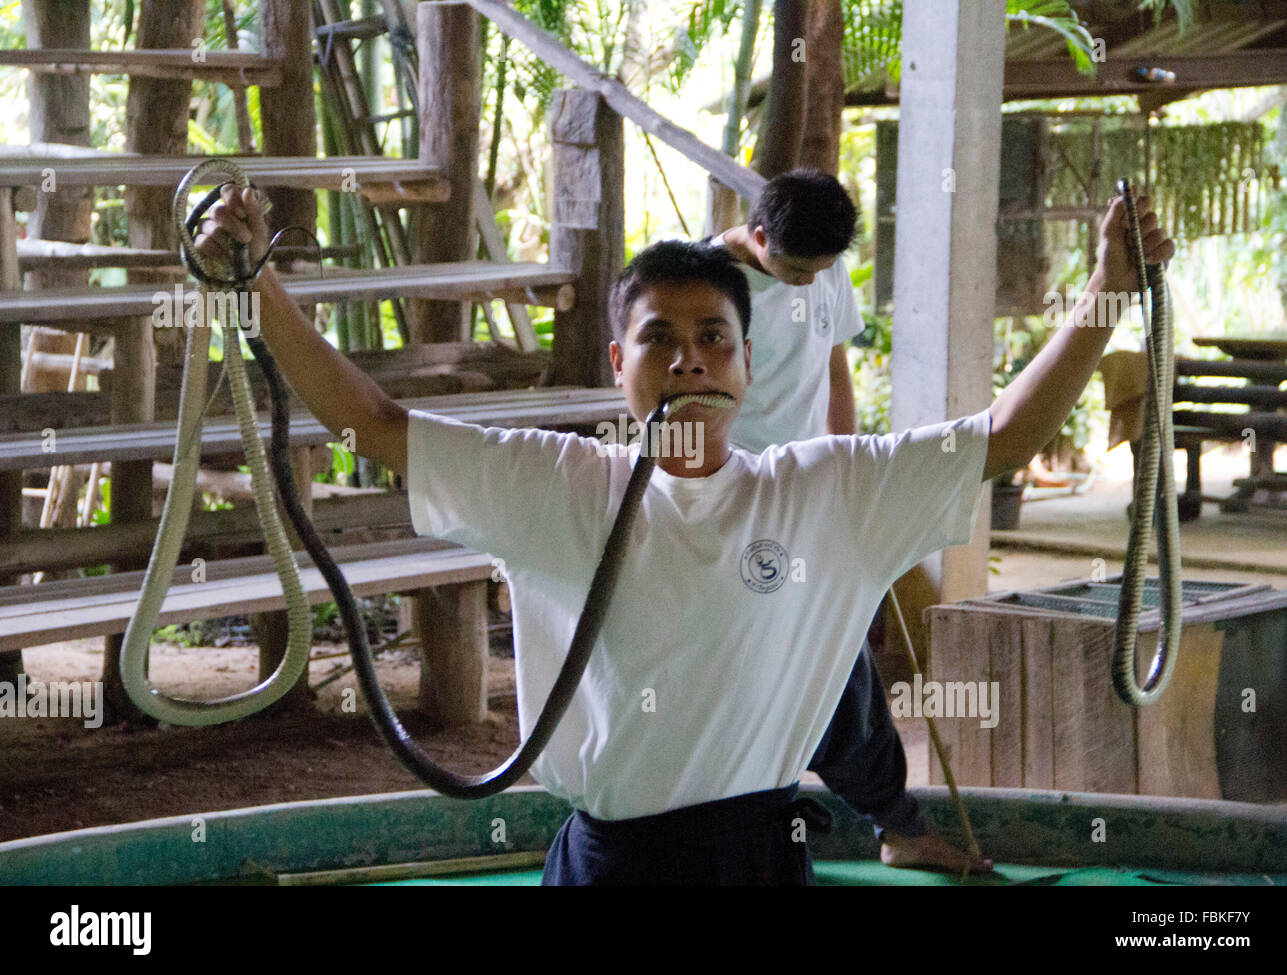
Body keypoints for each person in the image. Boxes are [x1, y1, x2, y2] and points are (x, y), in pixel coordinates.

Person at [195, 186, 1171, 885]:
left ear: (747, 366)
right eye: (661, 337)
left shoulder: (826, 490)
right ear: (620, 363)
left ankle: (899, 824)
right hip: (604, 858)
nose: (690, 359)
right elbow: (375, 423)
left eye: (714, 338)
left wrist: (1106, 292)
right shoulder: (555, 482)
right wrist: (257, 284)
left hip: (754, 855)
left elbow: (1004, 437)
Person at [714, 168, 986, 872]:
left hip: (811, 493)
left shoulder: (822, 271)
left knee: (838, 660)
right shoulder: (704, 285)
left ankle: (896, 824)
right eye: (797, 270)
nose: (809, 284)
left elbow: (835, 368)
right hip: (730, 506)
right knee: (761, 672)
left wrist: (849, 472)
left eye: (823, 271)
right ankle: (865, 824)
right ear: (759, 235)